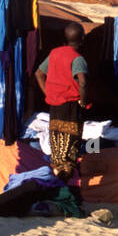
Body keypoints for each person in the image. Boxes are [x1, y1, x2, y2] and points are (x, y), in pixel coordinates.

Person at [34, 22, 90, 181]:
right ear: (82, 39)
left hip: (55, 107)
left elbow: (38, 74)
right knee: (70, 152)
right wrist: (84, 102)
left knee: (58, 151)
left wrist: (49, 93)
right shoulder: (78, 59)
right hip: (71, 108)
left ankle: (57, 182)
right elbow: (83, 82)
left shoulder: (54, 53)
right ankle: (65, 186)